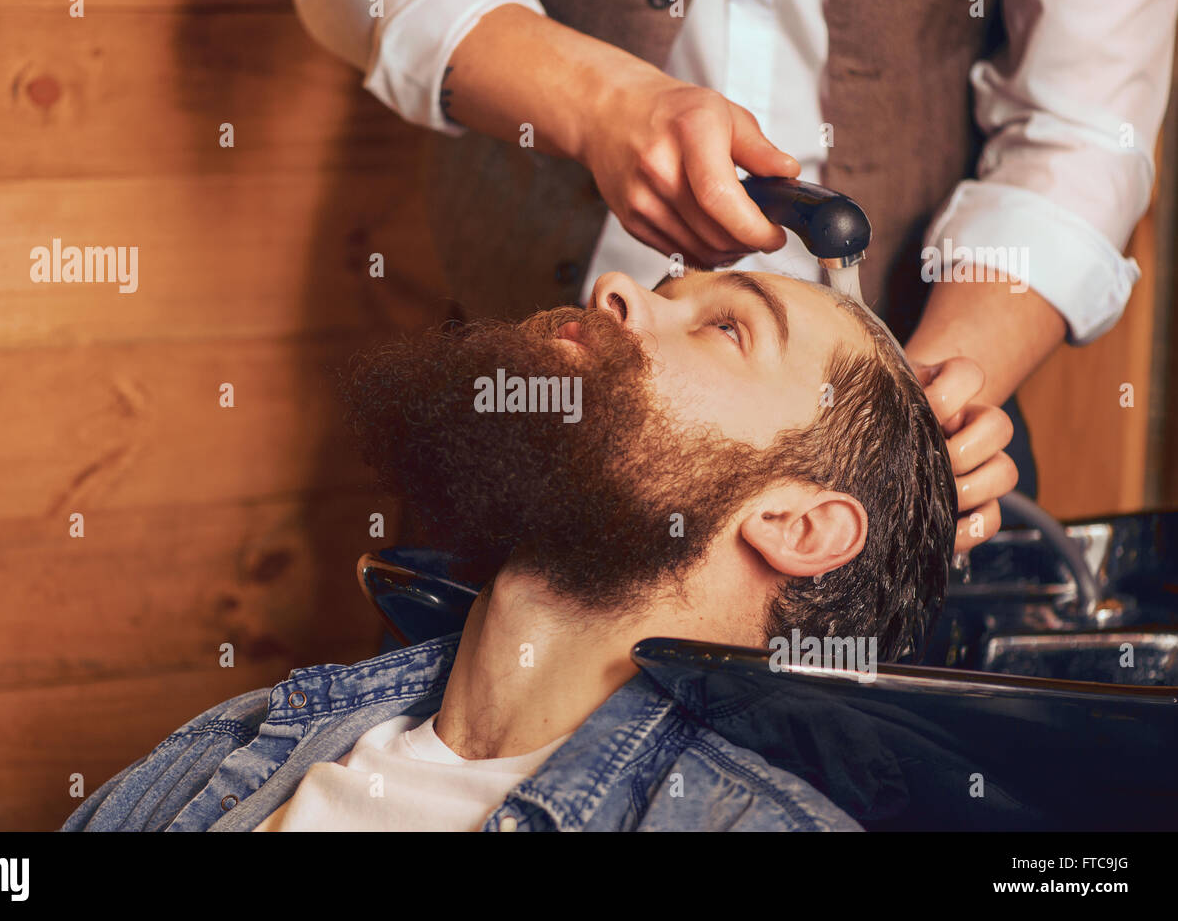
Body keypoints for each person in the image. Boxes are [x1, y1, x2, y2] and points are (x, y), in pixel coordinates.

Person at [285, 0, 1178, 552]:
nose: (617, 295)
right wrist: (598, 102)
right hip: (530, 399)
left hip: (927, 352)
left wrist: (919, 410)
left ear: (810, 530)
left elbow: (1085, 126)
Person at [63, 267, 958, 832]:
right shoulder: (233, 746)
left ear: (798, 526)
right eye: (668, 287)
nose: (615, 287)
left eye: (727, 326)